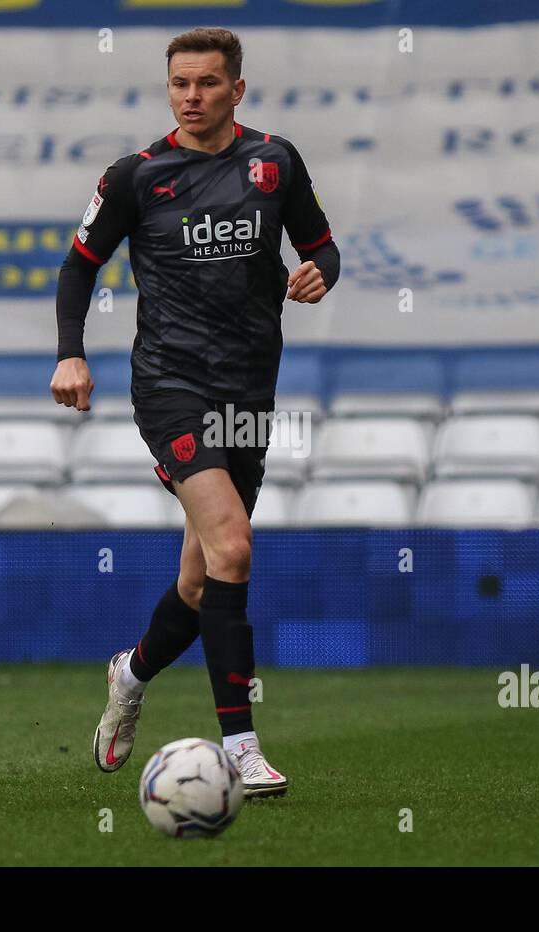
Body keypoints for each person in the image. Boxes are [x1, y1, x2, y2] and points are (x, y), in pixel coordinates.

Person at [50, 26, 339, 798]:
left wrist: (319, 273)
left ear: (235, 90)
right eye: (181, 83)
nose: (192, 95)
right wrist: (70, 352)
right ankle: (240, 744)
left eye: (209, 83)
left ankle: (132, 671)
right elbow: (79, 266)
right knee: (235, 549)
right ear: (168, 87)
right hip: (171, 386)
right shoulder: (136, 177)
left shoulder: (275, 163)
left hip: (249, 393)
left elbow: (324, 246)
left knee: (202, 579)